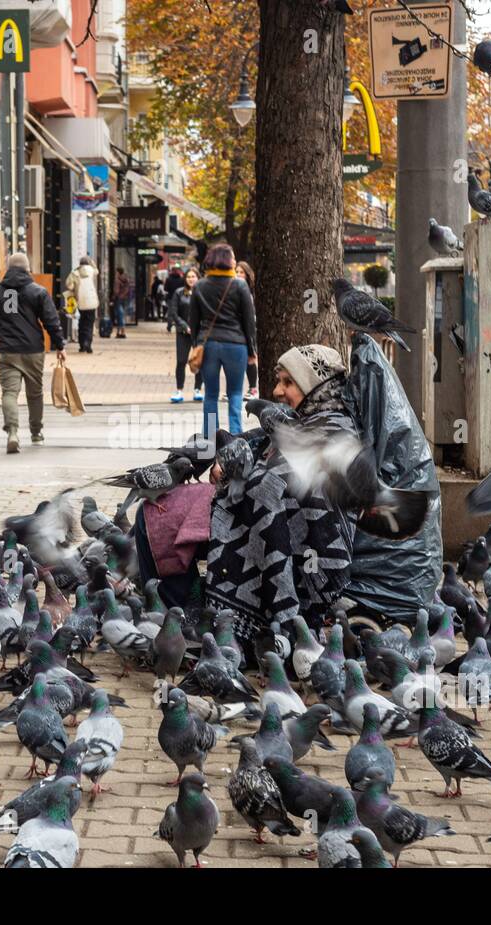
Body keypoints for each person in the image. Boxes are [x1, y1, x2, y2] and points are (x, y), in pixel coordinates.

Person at [205, 345, 360, 642]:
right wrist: (226, 461)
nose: (276, 390)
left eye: (288, 382)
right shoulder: (302, 419)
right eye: (279, 381)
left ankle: (270, 619)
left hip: (313, 557)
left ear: (316, 386)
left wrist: (244, 479)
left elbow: (282, 481)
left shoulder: (336, 429)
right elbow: (259, 442)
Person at [0, 252, 66, 454]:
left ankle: (12, 432)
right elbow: (51, 321)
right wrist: (60, 345)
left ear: (9, 269)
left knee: (9, 393)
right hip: (32, 350)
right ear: (28, 269)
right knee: (34, 394)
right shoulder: (38, 291)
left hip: (7, 350)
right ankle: (36, 433)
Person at [191, 243, 256, 437]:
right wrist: (252, 350)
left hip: (209, 344)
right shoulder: (240, 285)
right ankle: (235, 436)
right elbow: (248, 322)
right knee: (235, 393)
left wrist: (197, 345)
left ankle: (211, 435)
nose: (235, 260)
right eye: (233, 257)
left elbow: (193, 321)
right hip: (236, 345)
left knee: (210, 393)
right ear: (227, 260)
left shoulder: (200, 286)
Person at [167, 267, 202, 403]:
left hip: (199, 332)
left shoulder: (203, 293)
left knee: (199, 361)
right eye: (188, 277)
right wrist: (185, 326)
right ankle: (179, 390)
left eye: (193, 276)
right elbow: (174, 313)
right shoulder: (179, 293)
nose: (191, 279)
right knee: (181, 361)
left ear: (198, 277)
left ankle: (197, 389)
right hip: (183, 332)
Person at [66, 256, 99, 354]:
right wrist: (92, 262)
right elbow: (97, 270)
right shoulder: (92, 270)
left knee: (82, 322)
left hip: (81, 301)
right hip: (92, 301)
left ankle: (82, 345)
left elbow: (69, 285)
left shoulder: (75, 273)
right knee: (89, 323)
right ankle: (88, 344)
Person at [236, 260, 259, 400]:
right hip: (236, 329)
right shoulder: (233, 289)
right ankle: (234, 389)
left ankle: (253, 388)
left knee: (251, 357)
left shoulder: (251, 291)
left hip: (250, 328)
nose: (238, 275)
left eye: (241, 272)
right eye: (236, 272)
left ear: (247, 275)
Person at [111, 266, 130, 338]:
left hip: (118, 299)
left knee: (119, 316)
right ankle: (119, 332)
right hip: (124, 299)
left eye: (116, 272)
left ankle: (123, 332)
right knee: (121, 315)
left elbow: (116, 291)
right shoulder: (125, 279)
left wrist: (112, 298)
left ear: (118, 272)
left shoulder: (117, 280)